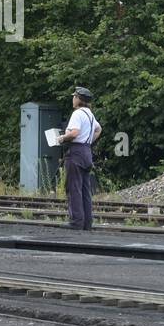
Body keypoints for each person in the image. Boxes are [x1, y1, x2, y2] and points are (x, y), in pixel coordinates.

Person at [60, 86, 101, 231]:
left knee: (73, 187)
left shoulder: (77, 114)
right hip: (87, 152)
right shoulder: (90, 114)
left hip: (76, 152)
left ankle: (76, 222)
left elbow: (75, 132)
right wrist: (89, 141)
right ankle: (87, 223)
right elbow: (98, 129)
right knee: (85, 189)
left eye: (74, 96)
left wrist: (62, 138)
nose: (73, 99)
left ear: (78, 99)